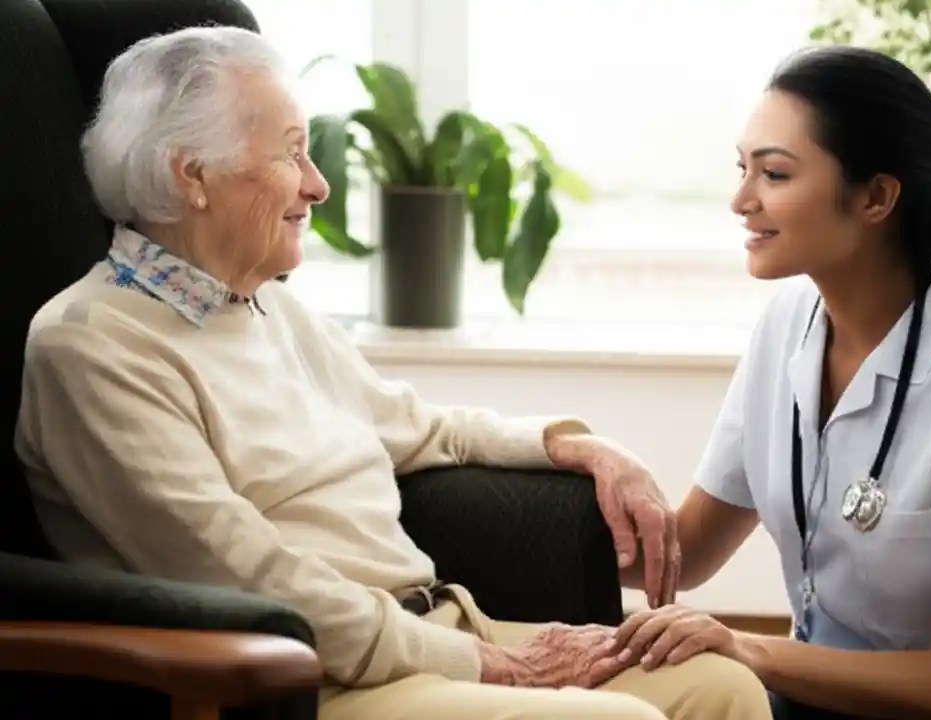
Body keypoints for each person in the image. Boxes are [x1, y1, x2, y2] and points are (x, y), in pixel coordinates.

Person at [13, 25, 772, 720]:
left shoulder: (269, 310)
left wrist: (581, 446)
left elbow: (423, 428)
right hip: (306, 678)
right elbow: (240, 572)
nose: (318, 184)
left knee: (722, 688)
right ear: (194, 176)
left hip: (430, 633)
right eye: (290, 152)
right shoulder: (92, 349)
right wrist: (483, 663)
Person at [609, 46, 931, 719]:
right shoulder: (784, 329)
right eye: (743, 169)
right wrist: (580, 463)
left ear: (877, 196)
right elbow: (686, 552)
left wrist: (744, 647)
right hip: (828, 700)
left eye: (776, 174)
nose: (741, 200)